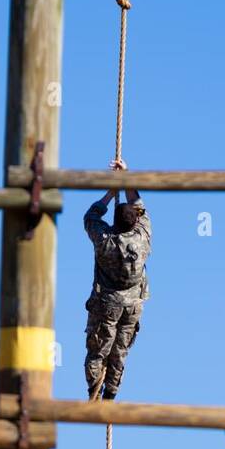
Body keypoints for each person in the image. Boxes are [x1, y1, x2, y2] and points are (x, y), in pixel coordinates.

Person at [82, 160, 151, 400]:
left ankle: (94, 388)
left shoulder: (105, 241)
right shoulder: (143, 236)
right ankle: (111, 391)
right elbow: (138, 205)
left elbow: (91, 215)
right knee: (120, 349)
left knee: (99, 348)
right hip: (133, 304)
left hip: (107, 303)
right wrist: (127, 178)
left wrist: (111, 192)